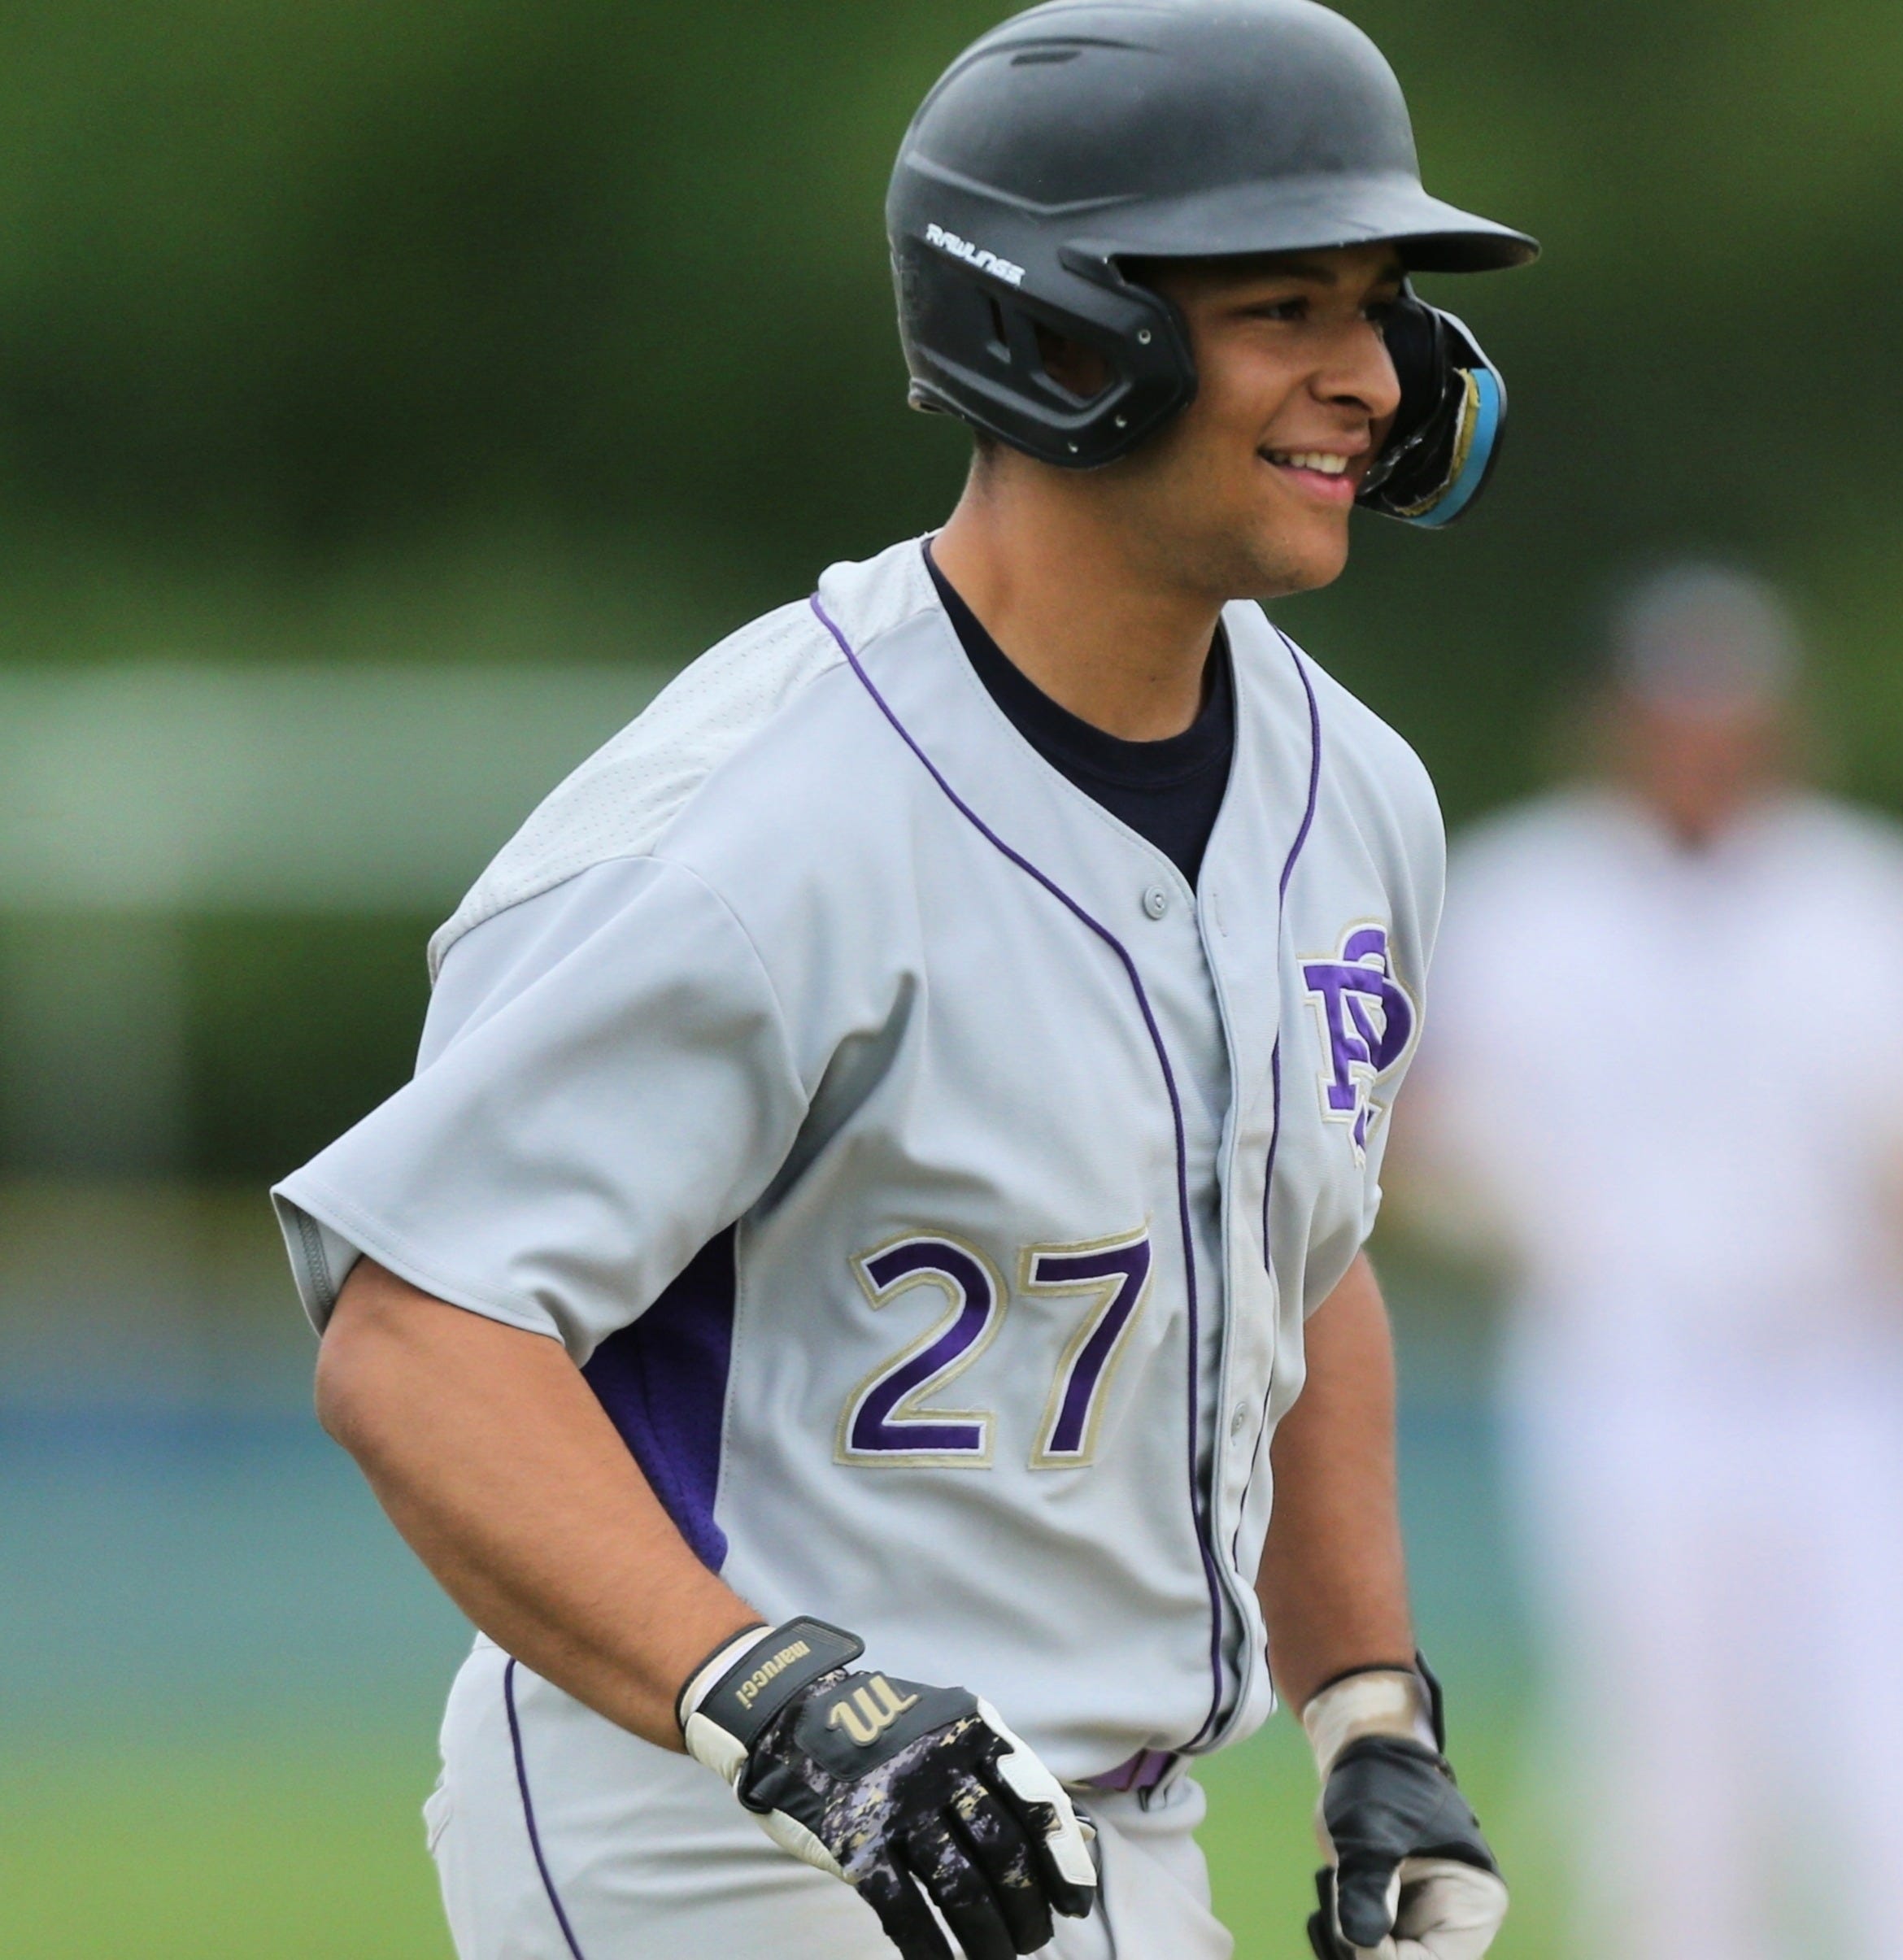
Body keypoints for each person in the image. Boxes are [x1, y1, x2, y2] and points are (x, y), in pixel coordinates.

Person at [272, 4, 1537, 1956]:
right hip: (721, 1833)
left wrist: (1371, 1702)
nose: (1371, 375)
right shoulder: (760, 819)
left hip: (1118, 1825)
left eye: (1380, 307)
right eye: (1288, 302)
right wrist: (777, 1700)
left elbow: (1298, 1248)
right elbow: (416, 1327)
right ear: (1058, 332)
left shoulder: (1353, 794)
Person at [1399, 565, 1903, 1960]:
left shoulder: (1872, 893)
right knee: (1667, 1763)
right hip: (1633, 1358)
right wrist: (1506, 1218)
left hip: (1858, 1357)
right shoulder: (1528, 896)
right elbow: (1424, 1128)